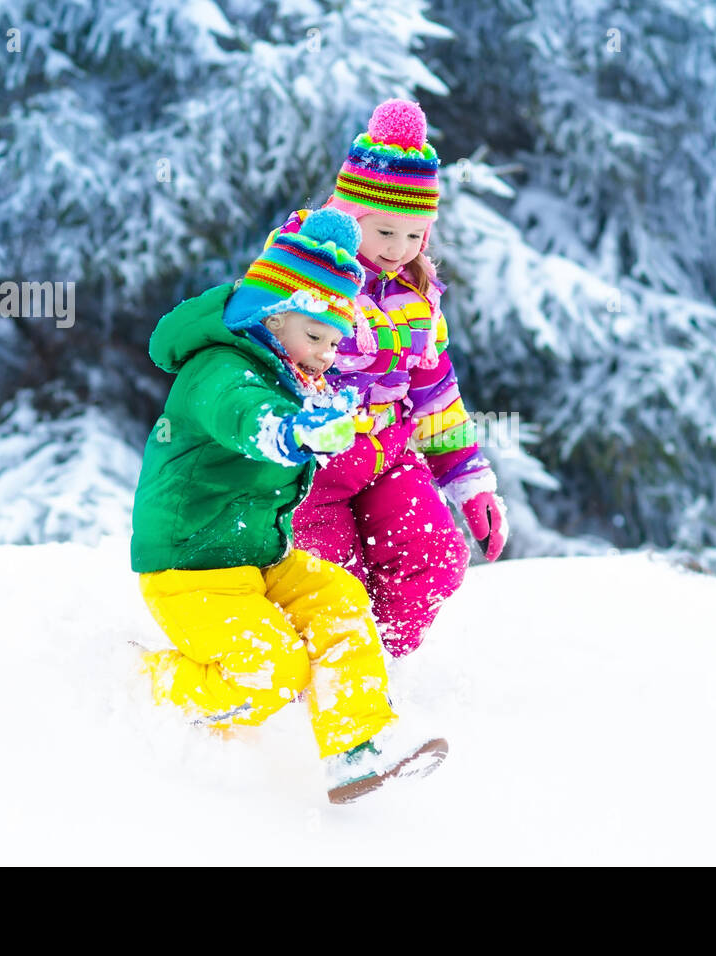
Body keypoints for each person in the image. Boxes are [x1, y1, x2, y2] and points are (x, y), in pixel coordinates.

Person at [129, 208, 447, 803]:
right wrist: (292, 431)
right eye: (317, 336)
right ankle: (152, 683)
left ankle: (356, 747)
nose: (328, 354)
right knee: (275, 670)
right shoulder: (219, 368)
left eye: (334, 341)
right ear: (272, 317)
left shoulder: (293, 372)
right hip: (188, 567)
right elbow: (243, 416)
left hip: (260, 557)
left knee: (341, 600)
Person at [265, 99, 509, 659]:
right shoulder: (303, 280)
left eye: (415, 236)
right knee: (329, 579)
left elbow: (436, 398)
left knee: (436, 554)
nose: (399, 251)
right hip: (311, 469)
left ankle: (377, 665)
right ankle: (316, 678)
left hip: (385, 457)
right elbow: (258, 349)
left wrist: (469, 482)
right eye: (385, 232)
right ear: (347, 215)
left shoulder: (417, 301)